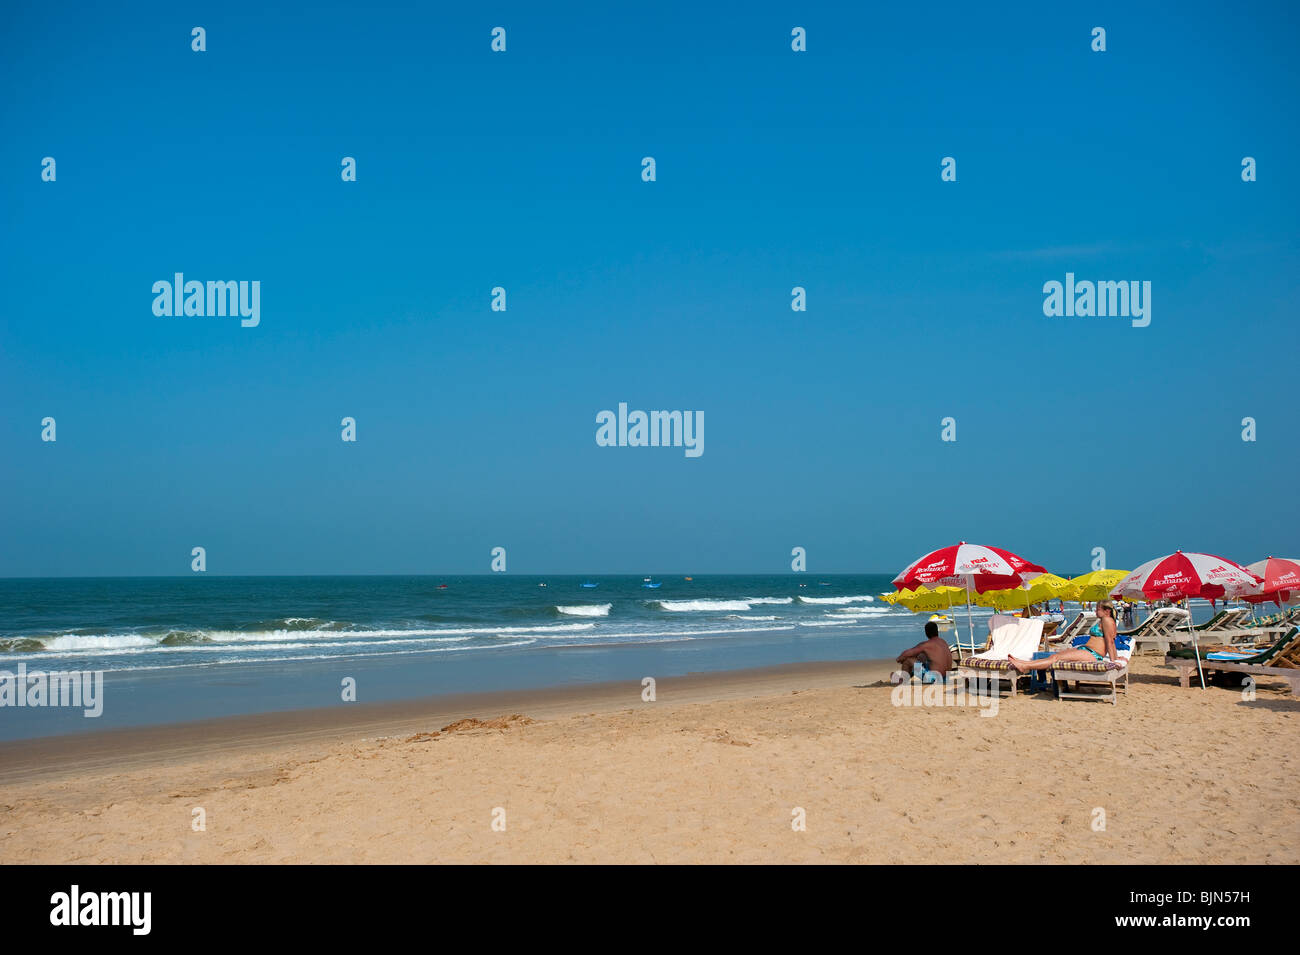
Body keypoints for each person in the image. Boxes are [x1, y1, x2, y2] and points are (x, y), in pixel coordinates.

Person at [1008, 598, 1124, 673]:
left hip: (1092, 654)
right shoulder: (1106, 620)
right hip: (1086, 650)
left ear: (1107, 611)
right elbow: (1111, 640)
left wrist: (1114, 660)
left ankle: (1025, 666)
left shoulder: (1107, 620)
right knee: (1055, 656)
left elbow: (1110, 642)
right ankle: (1024, 663)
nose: (1095, 611)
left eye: (1098, 609)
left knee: (1055, 658)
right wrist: (1116, 657)